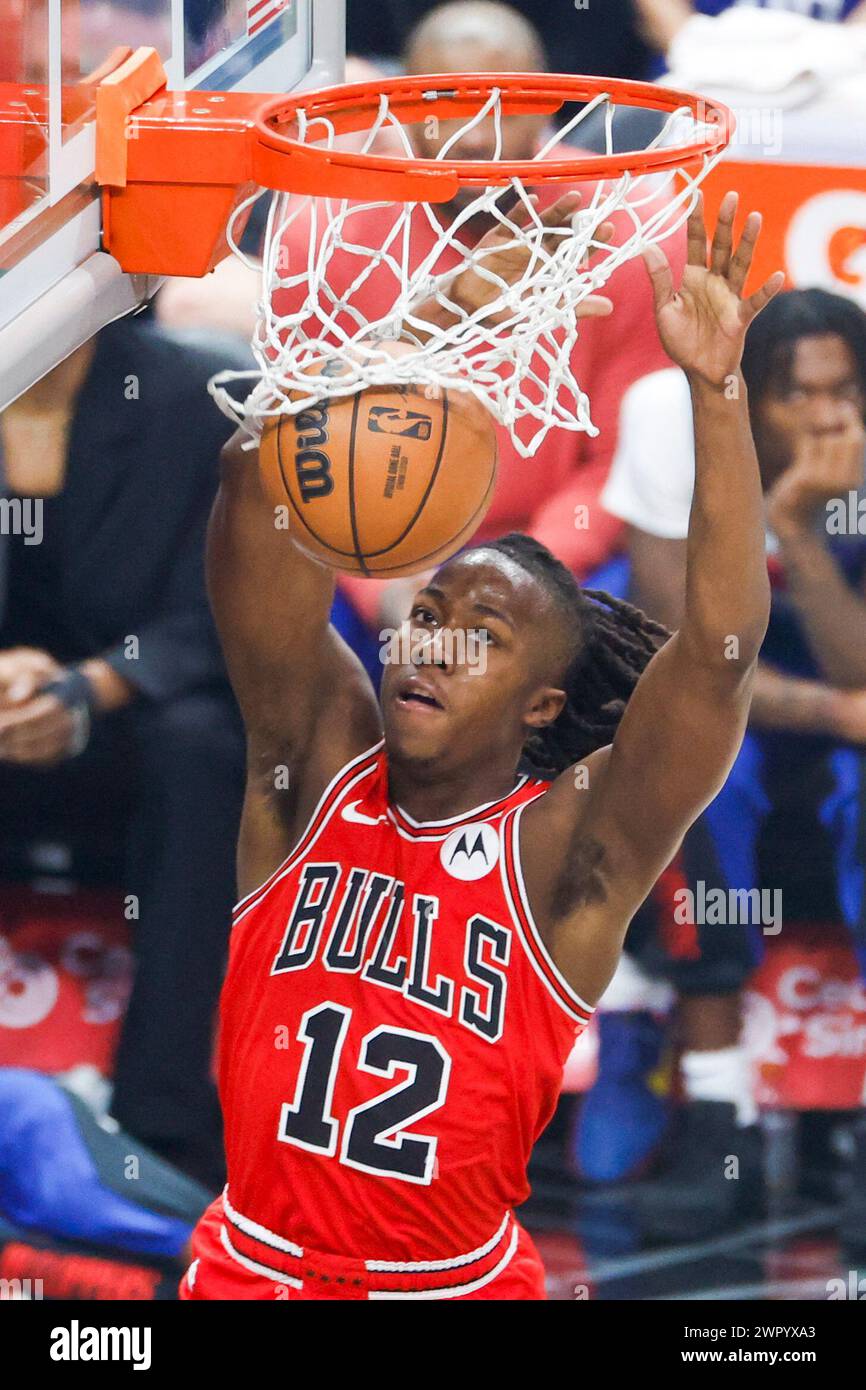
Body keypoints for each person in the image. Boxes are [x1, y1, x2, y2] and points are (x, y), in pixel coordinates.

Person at [180, 193, 782, 1300]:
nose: (430, 639)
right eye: (428, 607)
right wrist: (407, 336)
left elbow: (719, 651)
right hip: (249, 1270)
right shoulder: (313, 763)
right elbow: (251, 480)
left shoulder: (568, 853)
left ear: (544, 705)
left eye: (481, 635)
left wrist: (715, 389)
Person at [600, 287, 866, 1248]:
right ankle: (719, 1117)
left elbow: (862, 665)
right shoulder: (673, 418)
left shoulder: (860, 439)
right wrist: (837, 711)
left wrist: (800, 527)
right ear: (750, 399)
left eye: (844, 392)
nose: (829, 416)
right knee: (692, 760)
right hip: (721, 667)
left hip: (831, 641)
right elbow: (685, 651)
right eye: (800, 395)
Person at [0, 317, 250, 1190]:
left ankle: (163, 1125)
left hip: (129, 720)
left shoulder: (197, 398)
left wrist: (85, 688)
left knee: (203, 748)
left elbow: (226, 608)